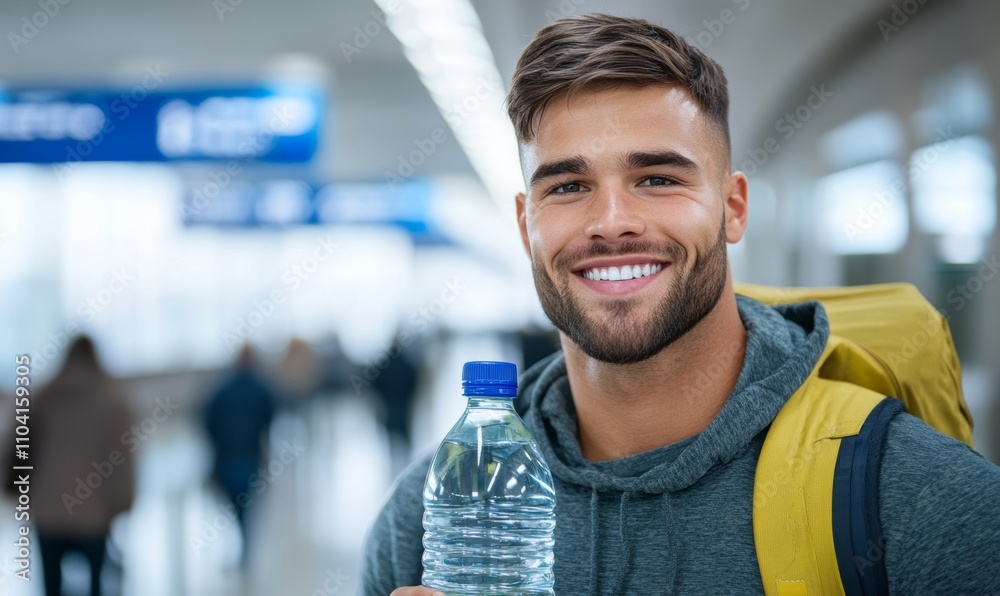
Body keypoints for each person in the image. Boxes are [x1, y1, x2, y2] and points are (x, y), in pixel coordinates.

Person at [361, 13, 1000, 594]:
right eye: (569, 185)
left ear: (733, 207)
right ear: (526, 223)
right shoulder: (427, 522)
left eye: (658, 179)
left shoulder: (920, 502)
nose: (611, 222)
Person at [4, 336, 135, 596]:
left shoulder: (40, 398)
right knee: (96, 584)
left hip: (47, 511)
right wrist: (121, 504)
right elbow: (122, 463)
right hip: (94, 513)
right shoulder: (114, 404)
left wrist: (17, 493)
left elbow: (15, 448)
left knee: (51, 586)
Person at [202, 344, 278, 567]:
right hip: (248, 456)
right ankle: (244, 546)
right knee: (245, 505)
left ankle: (240, 546)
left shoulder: (221, 389)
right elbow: (270, 415)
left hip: (227, 457)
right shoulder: (260, 388)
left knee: (234, 504)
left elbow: (207, 420)